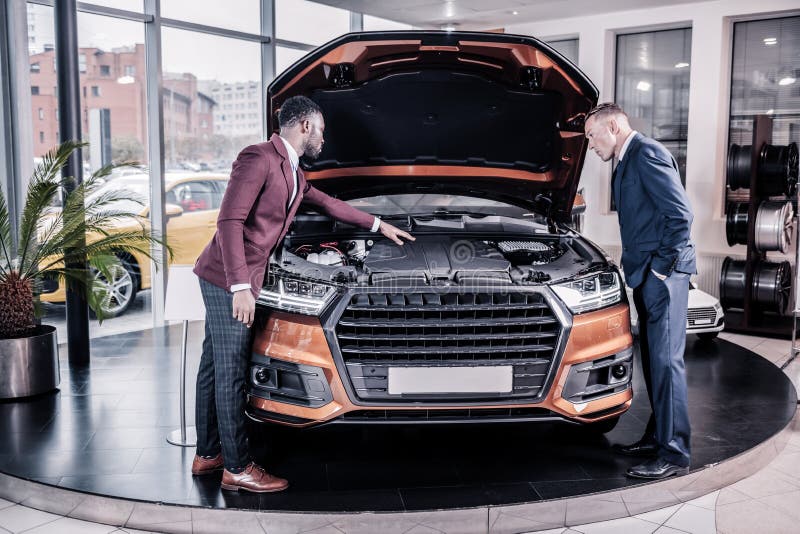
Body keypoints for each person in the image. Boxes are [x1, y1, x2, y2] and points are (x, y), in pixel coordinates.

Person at [191, 95, 415, 493]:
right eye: (322, 130)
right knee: (230, 371)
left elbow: (326, 203)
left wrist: (378, 225)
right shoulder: (258, 157)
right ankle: (237, 468)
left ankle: (208, 454)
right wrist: (240, 286)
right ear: (305, 126)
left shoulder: (292, 169)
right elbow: (229, 221)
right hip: (228, 277)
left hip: (234, 276)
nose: (324, 139)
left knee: (213, 367)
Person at [584, 103, 695, 480]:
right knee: (653, 362)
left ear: (613, 127)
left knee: (666, 363)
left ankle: (675, 453)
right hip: (646, 273)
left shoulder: (647, 153)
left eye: (591, 135)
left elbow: (680, 215)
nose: (590, 144)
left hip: (663, 275)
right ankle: (657, 437)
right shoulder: (626, 160)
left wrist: (661, 270)